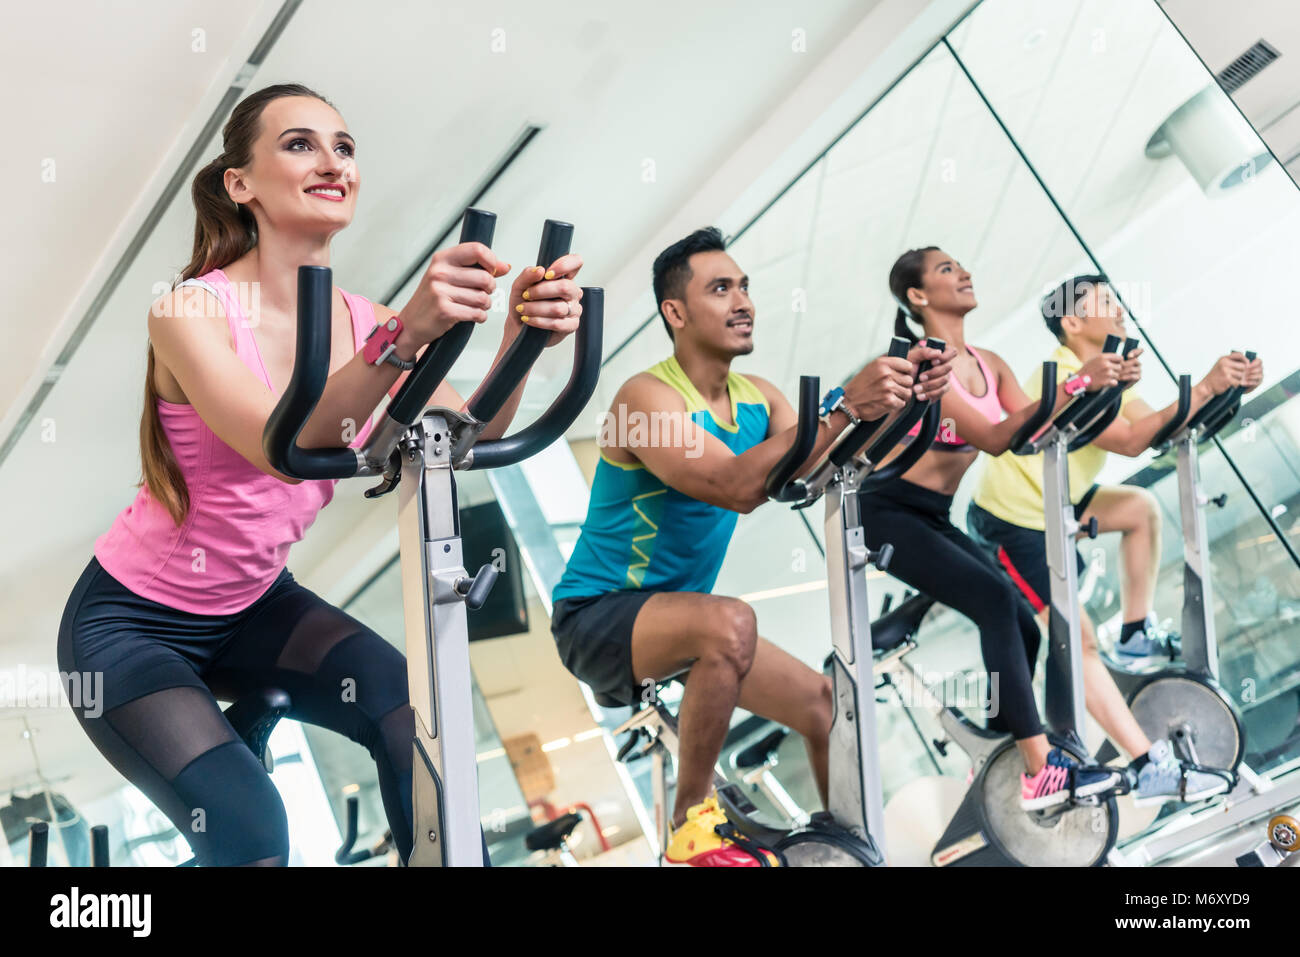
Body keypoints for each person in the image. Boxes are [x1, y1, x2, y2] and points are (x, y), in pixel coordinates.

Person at [57, 83, 583, 866]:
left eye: (344, 146)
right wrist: (406, 336)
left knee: (412, 716)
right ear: (241, 184)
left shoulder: (363, 323)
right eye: (300, 144)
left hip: (255, 604)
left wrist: (521, 340)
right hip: (130, 628)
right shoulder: (189, 312)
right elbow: (284, 442)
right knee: (254, 834)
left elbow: (458, 438)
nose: (332, 161)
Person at [550, 227, 954, 866]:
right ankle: (691, 828)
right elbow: (733, 484)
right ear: (675, 313)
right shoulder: (643, 400)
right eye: (720, 289)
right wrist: (848, 404)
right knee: (730, 623)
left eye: (744, 286)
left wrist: (906, 405)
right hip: (596, 619)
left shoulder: (761, 397)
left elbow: (834, 466)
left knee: (824, 706)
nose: (742, 301)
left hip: (685, 620)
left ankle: (848, 849)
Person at [860, 247, 1229, 811]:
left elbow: (1033, 429)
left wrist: (1094, 389)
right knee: (992, 600)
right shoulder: (923, 364)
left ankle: (1004, 748)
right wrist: (1077, 384)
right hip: (884, 512)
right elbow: (994, 436)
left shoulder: (989, 362)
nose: (963, 273)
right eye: (945, 271)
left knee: (1026, 629)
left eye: (961, 266)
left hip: (934, 513)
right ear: (917, 296)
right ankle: (1040, 773)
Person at [965, 272, 1260, 800]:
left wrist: (1225, 387)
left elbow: (1160, 428)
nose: (1121, 307)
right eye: (1106, 301)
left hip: (1059, 497)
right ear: (1073, 322)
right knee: (1076, 641)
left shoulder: (1114, 380)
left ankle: (1135, 632)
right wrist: (1209, 385)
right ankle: (1147, 763)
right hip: (1015, 520)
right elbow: (1127, 442)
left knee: (1140, 509)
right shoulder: (1060, 374)